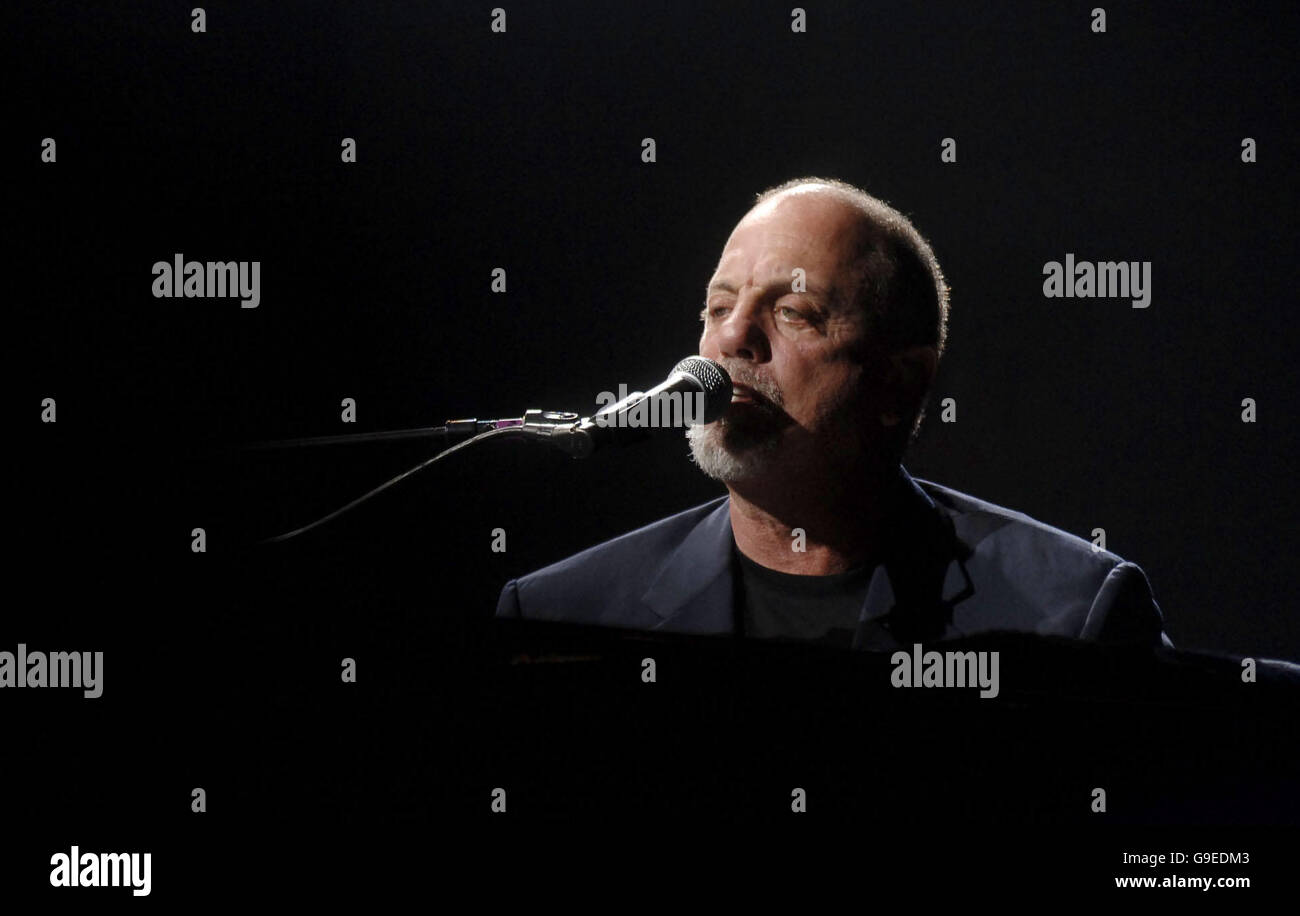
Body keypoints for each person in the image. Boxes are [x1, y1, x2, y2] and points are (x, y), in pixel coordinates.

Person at [496, 177, 1171, 650]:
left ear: (899, 381)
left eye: (792, 312)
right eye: (718, 307)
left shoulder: (1072, 612)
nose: (732, 339)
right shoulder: (564, 613)